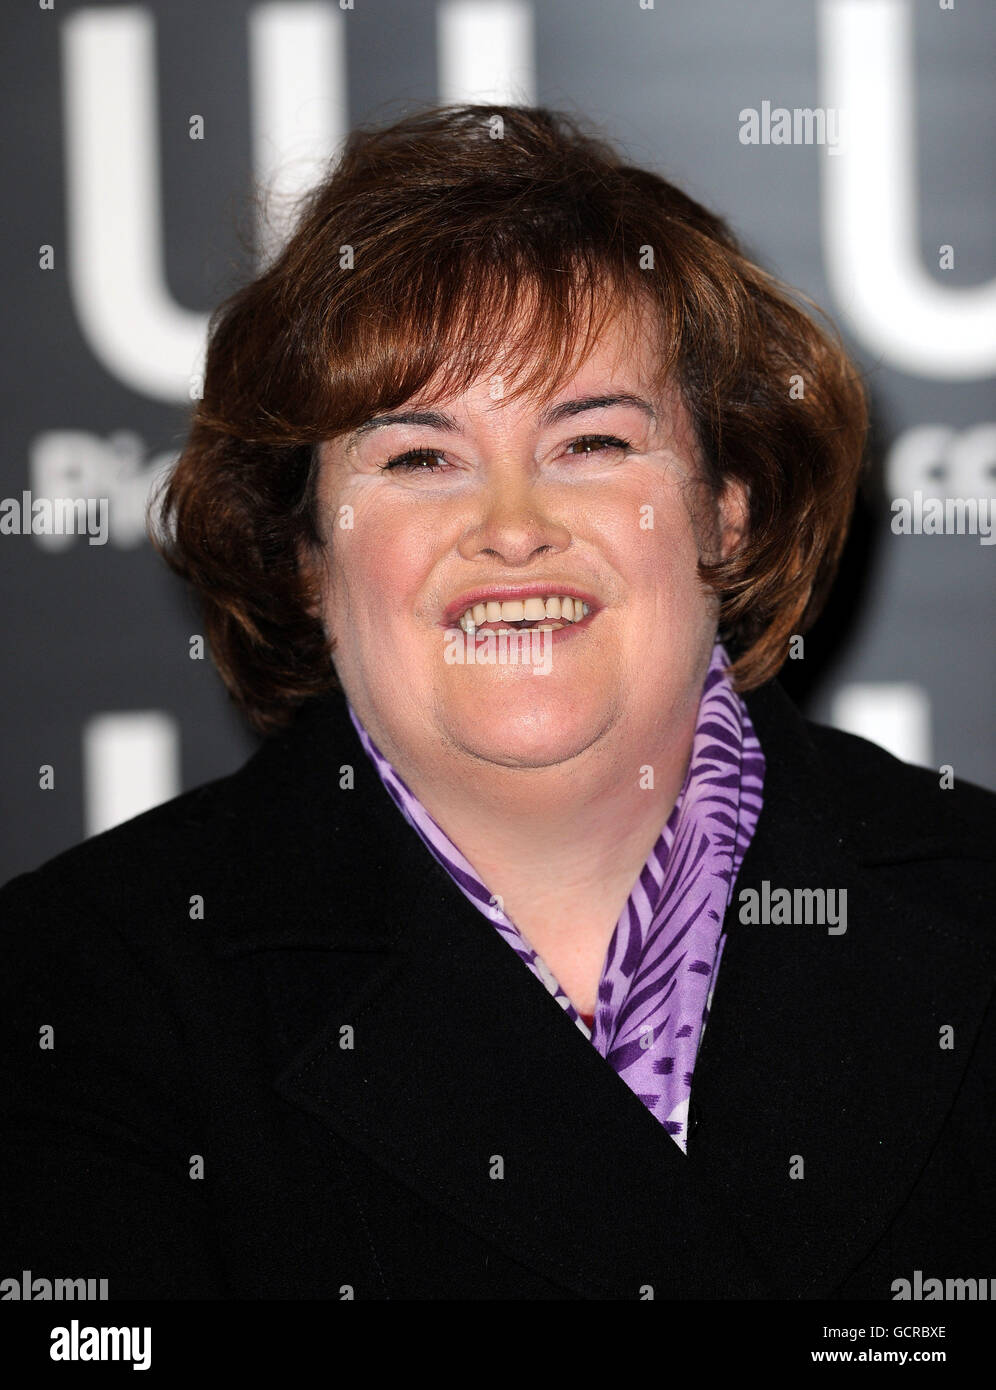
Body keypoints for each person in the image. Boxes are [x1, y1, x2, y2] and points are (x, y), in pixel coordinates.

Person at [2, 104, 993, 1301]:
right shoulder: (76, 989)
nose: (513, 528)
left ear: (726, 509)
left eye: (592, 444)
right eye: (419, 459)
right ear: (308, 553)